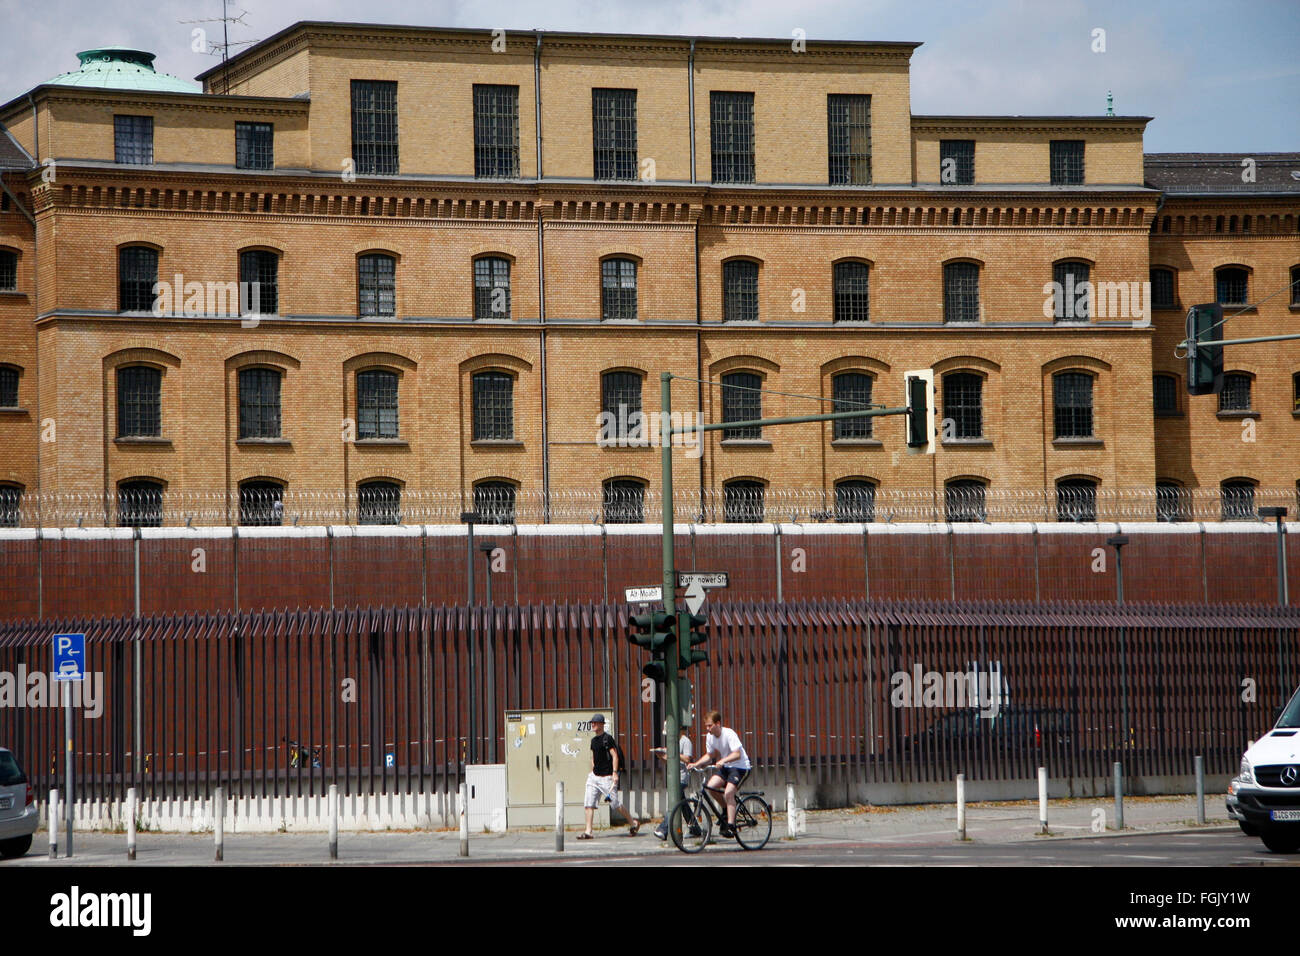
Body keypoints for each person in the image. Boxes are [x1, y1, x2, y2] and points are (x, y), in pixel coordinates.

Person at [687, 710, 751, 837]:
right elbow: (710, 755)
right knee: (711, 786)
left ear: (718, 723)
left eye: (710, 725)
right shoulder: (710, 737)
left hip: (740, 767)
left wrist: (723, 760)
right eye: (706, 726)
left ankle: (731, 825)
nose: (707, 729)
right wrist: (696, 764)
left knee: (728, 793)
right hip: (726, 767)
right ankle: (726, 810)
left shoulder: (729, 733)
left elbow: (737, 754)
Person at [579, 714, 640, 839]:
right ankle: (588, 831)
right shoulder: (593, 741)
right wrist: (592, 771)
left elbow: (615, 756)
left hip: (607, 778)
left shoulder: (607, 739)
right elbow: (593, 757)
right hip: (594, 777)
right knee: (588, 803)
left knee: (615, 804)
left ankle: (633, 823)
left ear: (601, 724)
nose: (593, 724)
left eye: (595, 723)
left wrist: (614, 773)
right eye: (592, 723)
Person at [651, 724, 694, 840]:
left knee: (673, 803)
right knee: (682, 804)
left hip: (682, 778)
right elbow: (670, 761)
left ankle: (663, 829)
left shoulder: (685, 741)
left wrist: (672, 752)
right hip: (675, 777)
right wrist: (661, 756)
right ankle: (695, 828)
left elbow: (687, 759)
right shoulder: (673, 742)